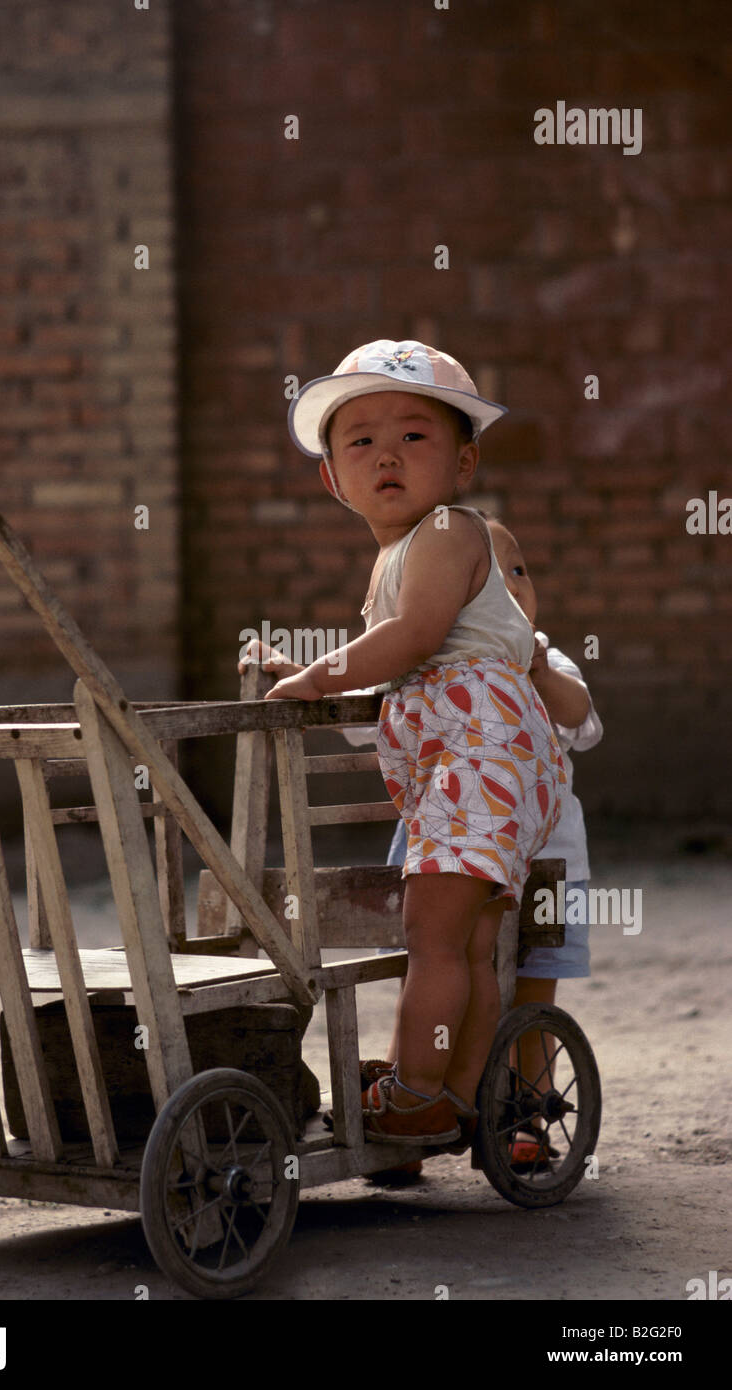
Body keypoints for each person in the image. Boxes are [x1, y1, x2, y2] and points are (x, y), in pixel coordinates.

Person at [240, 339, 566, 1146]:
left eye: (414, 436)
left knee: (430, 936)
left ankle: (418, 1088)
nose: (386, 454)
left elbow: (414, 637)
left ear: (462, 462)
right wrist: (325, 671)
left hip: (482, 756)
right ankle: (454, 1093)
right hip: (472, 762)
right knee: (471, 940)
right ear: (333, 479)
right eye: (360, 442)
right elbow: (394, 668)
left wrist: (316, 679)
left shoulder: (454, 531)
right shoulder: (395, 554)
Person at [385, 515, 603, 1166]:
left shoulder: (540, 657)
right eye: (483, 578)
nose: (508, 589)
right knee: (428, 970)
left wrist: (533, 670)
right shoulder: (427, 664)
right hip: (447, 852)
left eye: (519, 571)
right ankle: (414, 1111)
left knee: (533, 986)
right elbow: (360, 717)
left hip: (546, 865)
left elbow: (581, 720)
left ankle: (526, 1113)